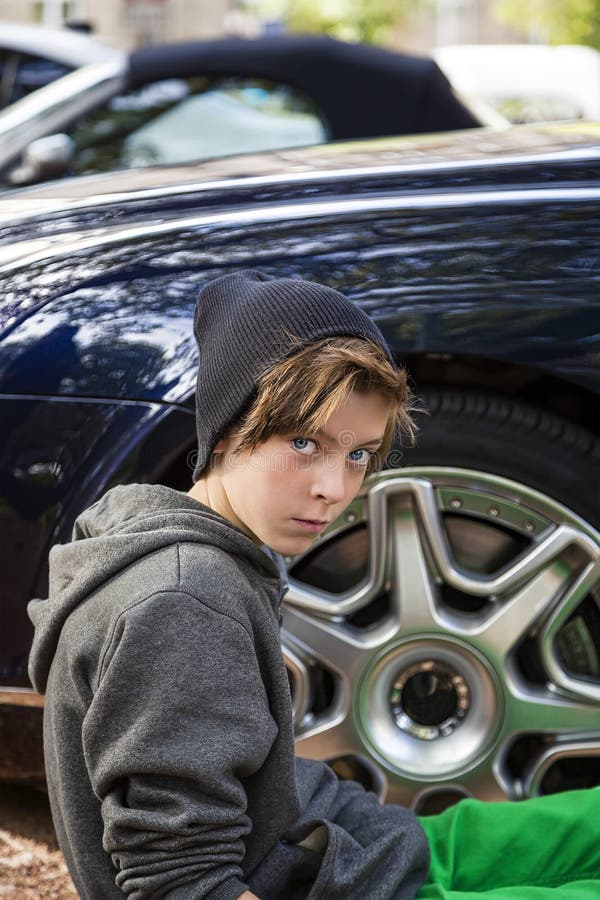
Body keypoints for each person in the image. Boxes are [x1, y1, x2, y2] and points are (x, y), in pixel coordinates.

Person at [27, 271, 600, 900]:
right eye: (306, 442)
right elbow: (182, 882)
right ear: (226, 431)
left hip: (361, 846)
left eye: (358, 454)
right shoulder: (185, 599)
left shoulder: (175, 541)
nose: (335, 487)